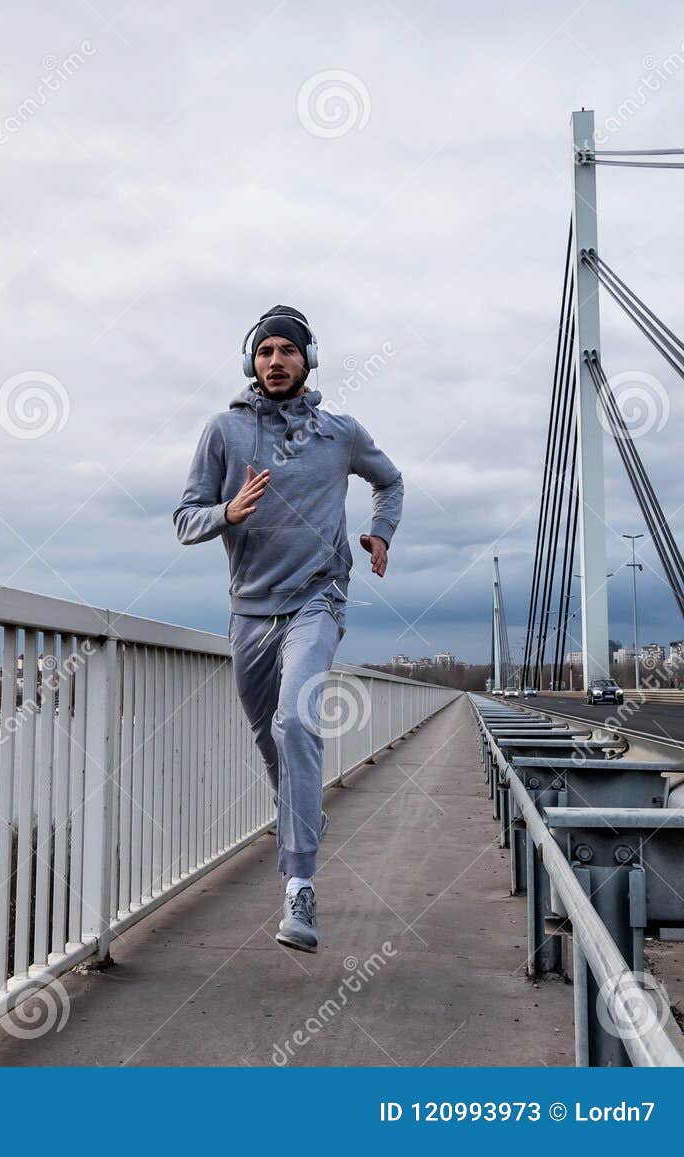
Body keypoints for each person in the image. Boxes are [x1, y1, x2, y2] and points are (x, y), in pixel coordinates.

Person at [172, 305, 404, 952]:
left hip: (317, 600)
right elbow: (185, 518)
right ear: (252, 362)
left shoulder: (340, 433)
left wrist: (380, 532)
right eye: (266, 351)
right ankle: (305, 816)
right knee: (270, 741)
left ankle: (300, 884)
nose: (276, 361)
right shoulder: (223, 432)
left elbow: (390, 482)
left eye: (288, 350)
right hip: (250, 610)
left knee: (295, 721)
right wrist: (227, 511)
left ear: (309, 360)